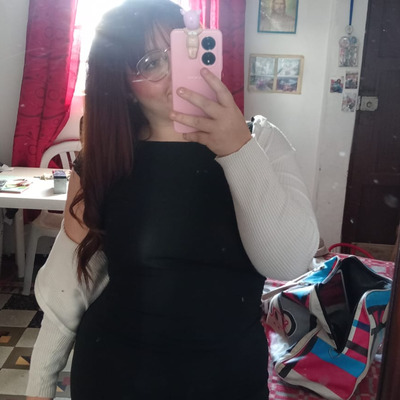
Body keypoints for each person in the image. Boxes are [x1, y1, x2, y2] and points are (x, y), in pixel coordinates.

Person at [26, 0, 319, 399]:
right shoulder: (105, 162)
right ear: (124, 87)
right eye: (151, 62)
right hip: (116, 375)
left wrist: (237, 147)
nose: (177, 73)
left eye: (183, 50)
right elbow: (68, 287)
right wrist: (39, 387)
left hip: (228, 378)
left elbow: (288, 261)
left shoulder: (261, 142)